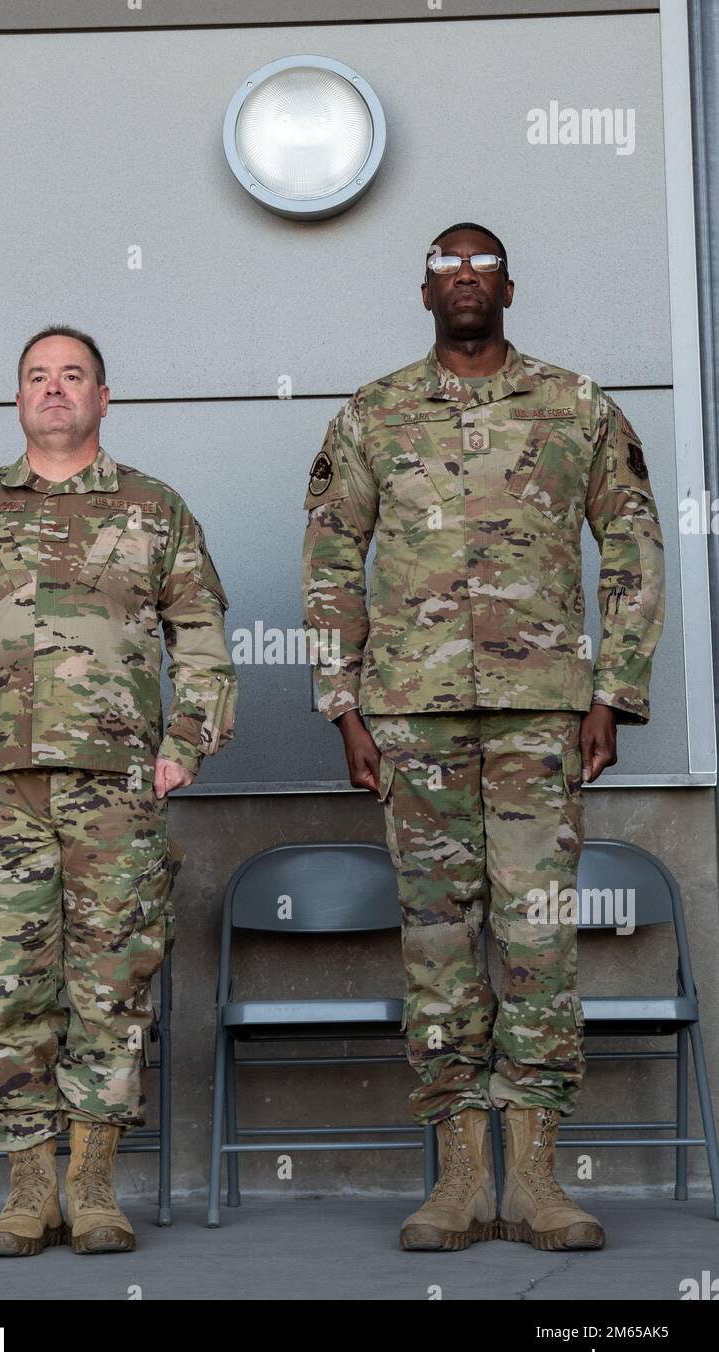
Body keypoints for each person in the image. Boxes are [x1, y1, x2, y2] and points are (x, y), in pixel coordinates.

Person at [301, 223, 665, 1253]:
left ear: (509, 285)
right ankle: (459, 1178)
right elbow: (329, 562)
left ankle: (538, 1182)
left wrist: (613, 692)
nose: (463, 281)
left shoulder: (574, 404)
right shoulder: (371, 413)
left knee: (539, 941)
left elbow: (632, 547)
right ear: (422, 294)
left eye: (480, 267)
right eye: (444, 269)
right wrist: (344, 705)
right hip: (409, 717)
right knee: (435, 946)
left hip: (539, 714)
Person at [0, 326, 237, 1256]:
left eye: (73, 376)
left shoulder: (154, 508)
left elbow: (201, 639)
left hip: (120, 794)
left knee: (112, 983)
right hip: (2, 791)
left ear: (103, 396)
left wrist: (185, 745)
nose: (55, 391)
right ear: (17, 401)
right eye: (37, 378)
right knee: (7, 984)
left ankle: (92, 1187)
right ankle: (27, 1192)